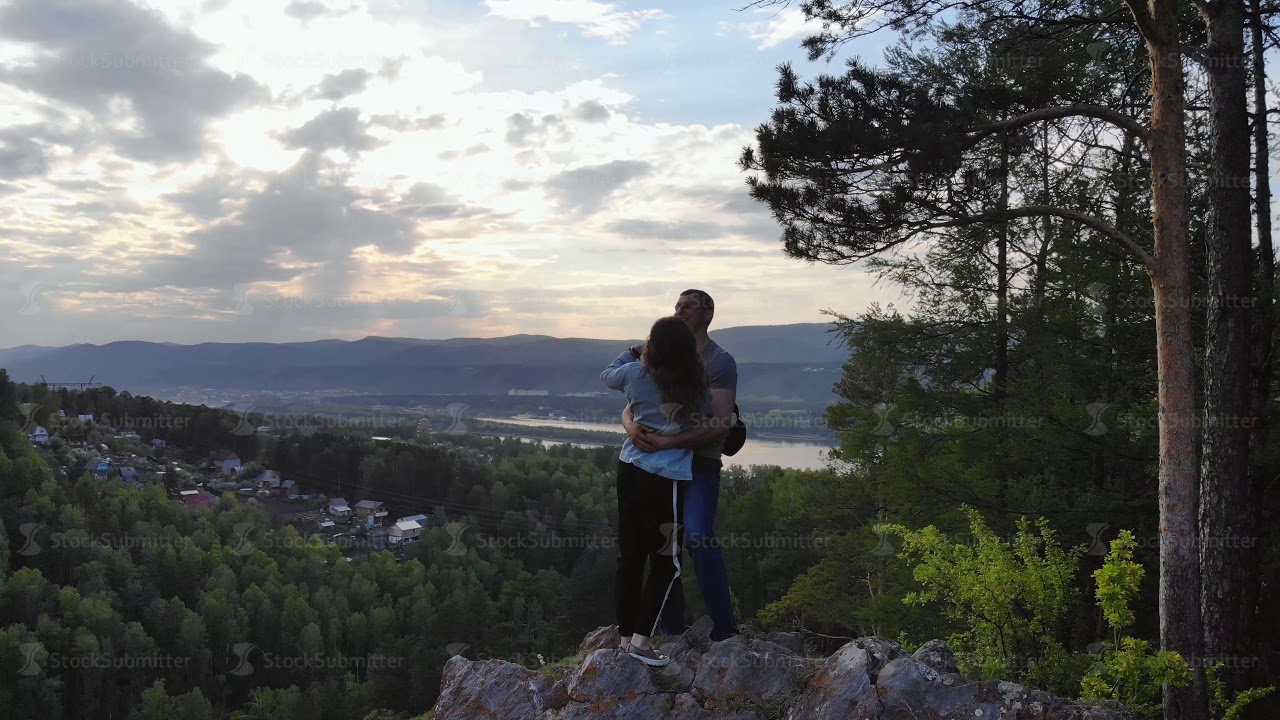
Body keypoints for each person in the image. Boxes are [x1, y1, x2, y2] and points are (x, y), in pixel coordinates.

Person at [621, 289, 739, 642]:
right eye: (676, 305)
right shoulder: (661, 352)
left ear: (708, 312)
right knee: (664, 543)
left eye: (688, 305)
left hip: (698, 462)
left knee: (699, 537)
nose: (680, 309)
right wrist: (631, 428)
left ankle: (725, 628)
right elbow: (634, 403)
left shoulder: (720, 361)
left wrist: (667, 441)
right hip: (659, 462)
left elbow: (718, 423)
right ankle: (672, 630)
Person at [601, 316, 710, 667]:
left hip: (629, 468)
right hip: (664, 478)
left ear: (653, 345)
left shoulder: (634, 373)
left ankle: (624, 639)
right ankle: (641, 643)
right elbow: (705, 423)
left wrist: (633, 352)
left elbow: (608, 376)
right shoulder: (694, 383)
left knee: (629, 557)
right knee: (666, 562)